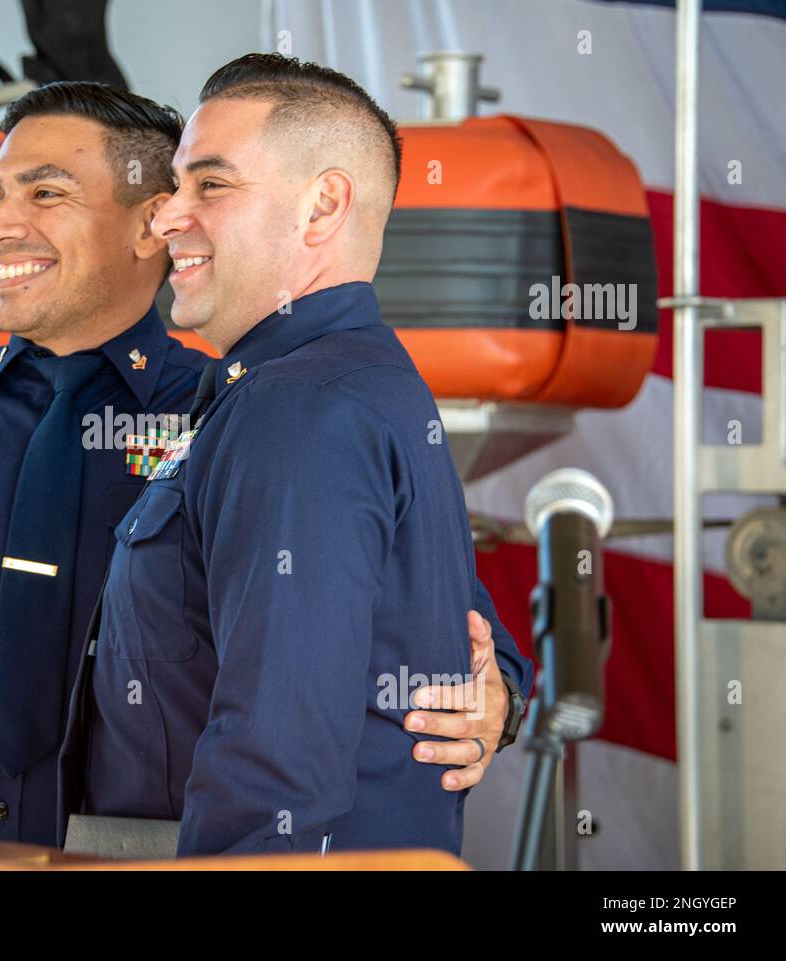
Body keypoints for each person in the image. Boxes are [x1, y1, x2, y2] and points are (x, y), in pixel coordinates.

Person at [0, 81, 527, 848]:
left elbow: (427, 597)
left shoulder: (238, 416)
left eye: (45, 195)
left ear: (153, 225)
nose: (0, 227)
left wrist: (501, 692)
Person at [60, 55, 531, 858]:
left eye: (210, 185)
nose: (167, 216)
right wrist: (505, 685)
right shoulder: (334, 386)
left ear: (322, 208)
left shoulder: (299, 410)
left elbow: (275, 765)